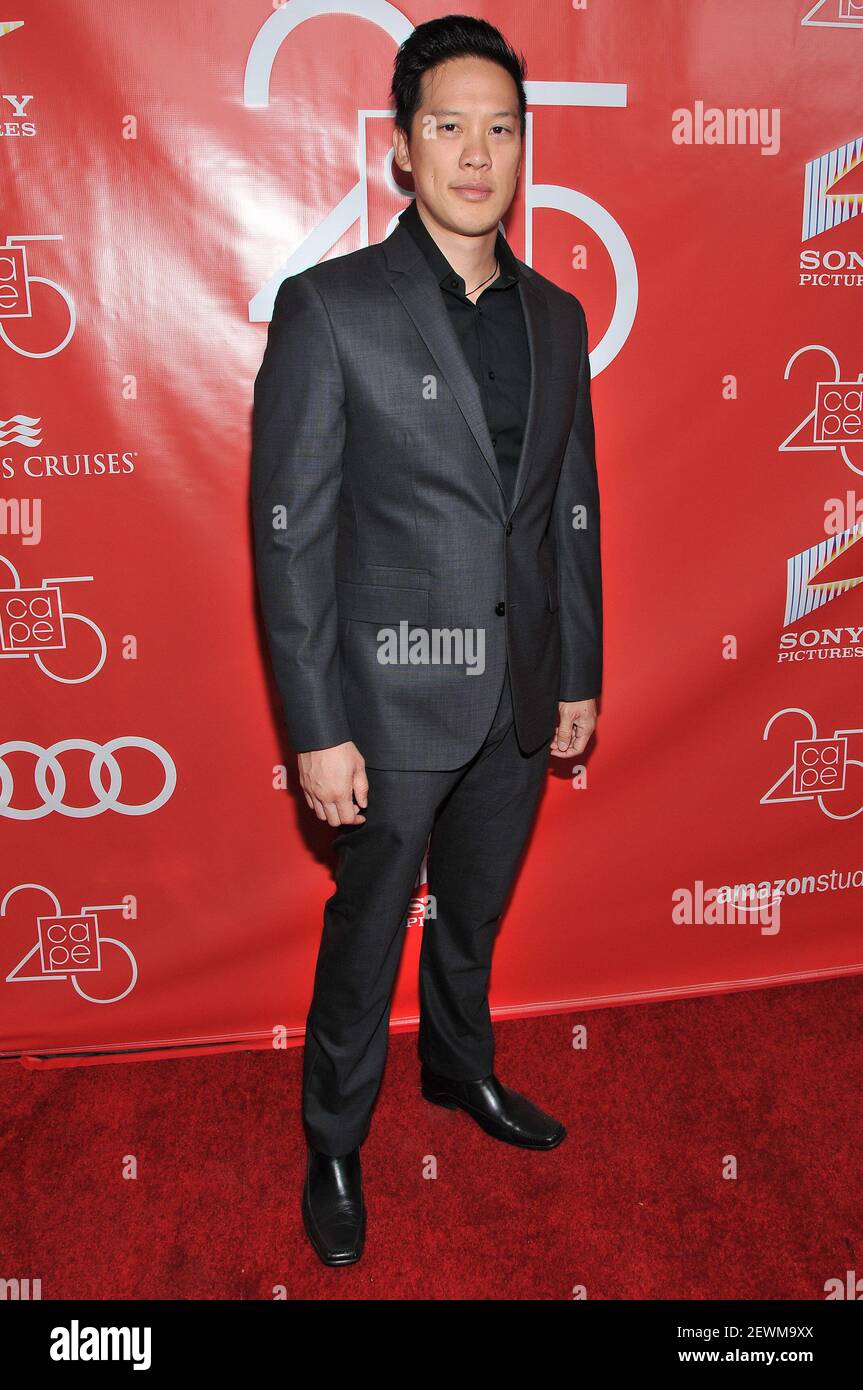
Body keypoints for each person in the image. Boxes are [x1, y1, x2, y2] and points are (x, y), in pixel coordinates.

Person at [251, 14, 602, 1266]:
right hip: (386, 705)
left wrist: (576, 675)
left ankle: (460, 1071)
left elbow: (568, 508)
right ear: (402, 150)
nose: (474, 151)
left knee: (475, 918)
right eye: (446, 126)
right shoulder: (331, 308)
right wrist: (315, 726)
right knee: (366, 929)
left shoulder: (555, 318)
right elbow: (289, 535)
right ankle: (334, 1139)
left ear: (522, 149)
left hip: (516, 695)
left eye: (499, 128)